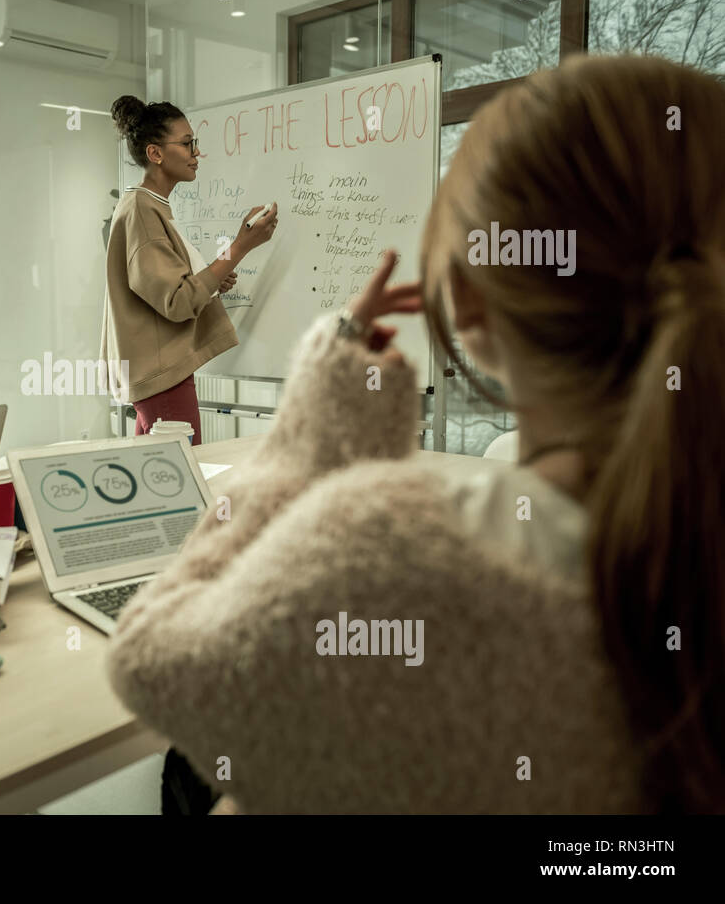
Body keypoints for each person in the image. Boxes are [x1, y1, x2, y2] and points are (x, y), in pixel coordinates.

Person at [107, 54, 725, 813]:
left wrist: (316, 434)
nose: (198, 153)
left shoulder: (389, 546)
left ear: (466, 307)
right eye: (190, 142)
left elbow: (150, 659)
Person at [101, 95, 277, 442]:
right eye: (187, 144)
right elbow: (178, 301)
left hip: (159, 376)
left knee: (156, 483)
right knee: (183, 482)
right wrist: (242, 245)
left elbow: (167, 287)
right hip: (161, 376)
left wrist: (210, 282)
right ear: (156, 154)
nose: (196, 153)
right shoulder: (141, 209)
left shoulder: (150, 206)